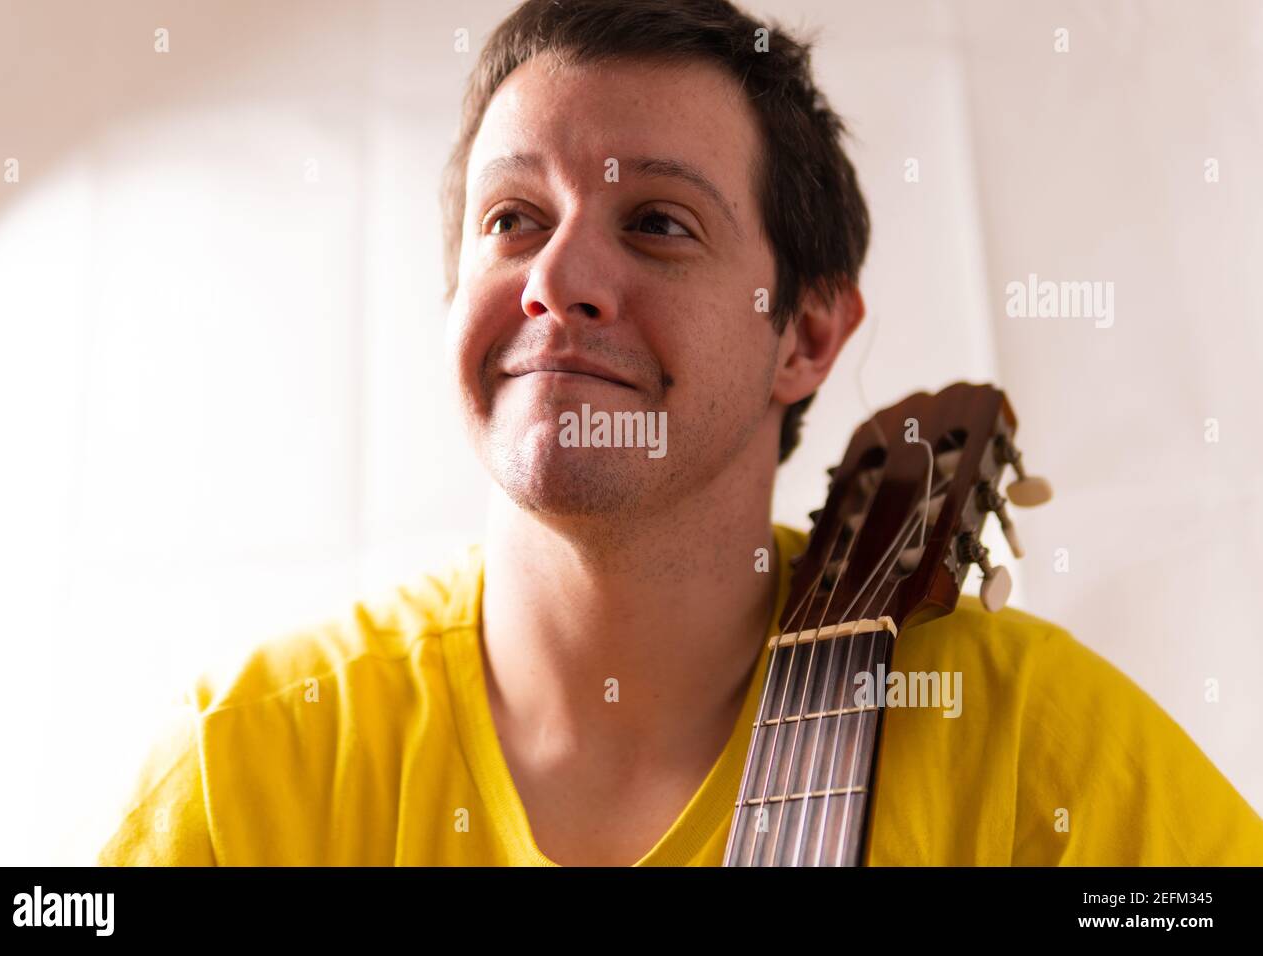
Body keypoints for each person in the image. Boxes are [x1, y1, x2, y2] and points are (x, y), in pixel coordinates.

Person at [98, 0, 1263, 866]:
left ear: (806, 334)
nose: (556, 277)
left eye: (657, 222)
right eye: (512, 219)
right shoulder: (249, 766)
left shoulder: (1032, 759)